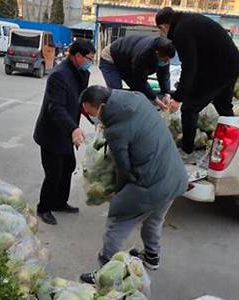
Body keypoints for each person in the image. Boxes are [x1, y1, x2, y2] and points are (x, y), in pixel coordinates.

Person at [78, 86, 189, 283]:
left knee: (117, 222)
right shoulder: (136, 99)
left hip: (151, 183)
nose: (90, 116)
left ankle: (105, 273)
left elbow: (124, 168)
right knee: (154, 219)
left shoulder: (116, 131)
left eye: (91, 112)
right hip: (174, 175)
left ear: (101, 106)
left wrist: (116, 192)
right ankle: (152, 256)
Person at [155, 7, 239, 154]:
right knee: (223, 106)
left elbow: (190, 65)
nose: (163, 33)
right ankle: (238, 146)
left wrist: (178, 98)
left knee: (189, 108)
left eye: (161, 29)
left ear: (164, 26)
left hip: (219, 69)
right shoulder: (188, 21)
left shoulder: (181, 31)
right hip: (229, 65)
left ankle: (187, 151)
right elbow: (196, 63)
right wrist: (184, 90)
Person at [33, 39, 96, 225]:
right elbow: (56, 108)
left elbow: (82, 102)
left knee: (68, 167)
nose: (90, 62)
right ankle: (43, 207)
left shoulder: (81, 73)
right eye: (89, 58)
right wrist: (74, 129)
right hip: (52, 133)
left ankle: (60, 202)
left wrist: (97, 119)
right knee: (54, 174)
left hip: (68, 133)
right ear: (77, 56)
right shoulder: (59, 75)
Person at [99, 35, 176, 110]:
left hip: (127, 63)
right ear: (157, 53)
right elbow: (141, 81)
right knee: (117, 93)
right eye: (165, 59)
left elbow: (164, 75)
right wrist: (155, 99)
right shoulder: (142, 55)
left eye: (169, 59)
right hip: (111, 59)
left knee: (139, 92)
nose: (167, 61)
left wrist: (167, 94)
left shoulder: (164, 52)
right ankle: (113, 116)